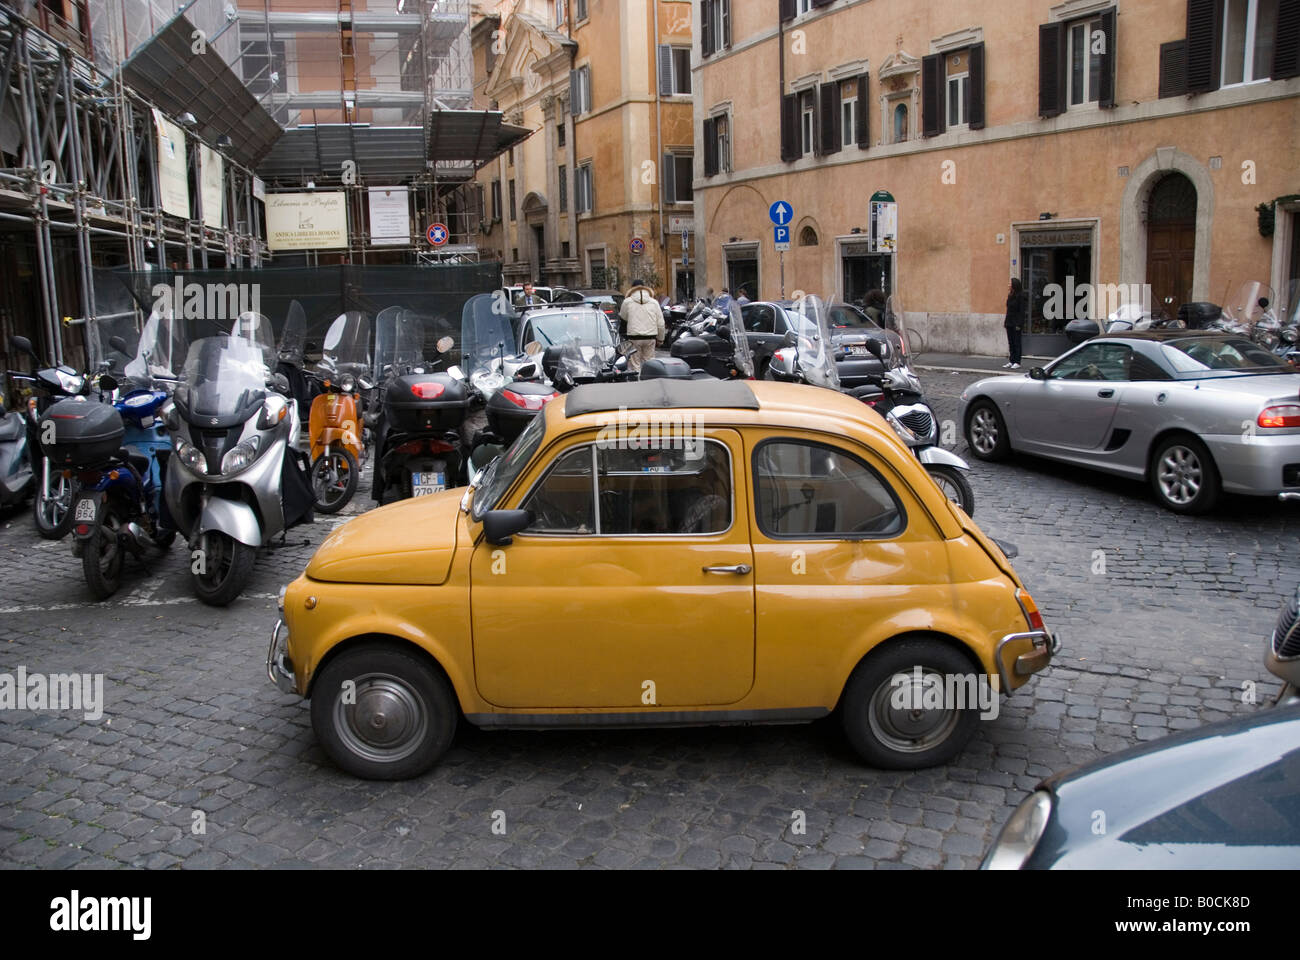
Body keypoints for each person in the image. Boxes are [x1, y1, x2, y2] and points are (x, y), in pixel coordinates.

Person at [619, 279, 665, 372]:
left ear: (632, 289)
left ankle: (638, 382)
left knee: (635, 364)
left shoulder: (627, 302)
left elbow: (623, 318)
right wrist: (660, 338)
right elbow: (660, 323)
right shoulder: (654, 302)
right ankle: (651, 382)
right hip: (650, 337)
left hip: (634, 337)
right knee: (650, 362)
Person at [1004, 277, 1028, 369]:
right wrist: (1006, 323)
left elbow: (1021, 312)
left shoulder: (1020, 296)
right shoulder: (1010, 296)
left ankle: (1017, 361)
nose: (1008, 285)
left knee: (1017, 342)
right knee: (1011, 342)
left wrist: (1019, 324)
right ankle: (1011, 360)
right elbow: (1009, 310)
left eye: (1010, 283)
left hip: (1016, 323)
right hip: (1009, 322)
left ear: (1014, 285)